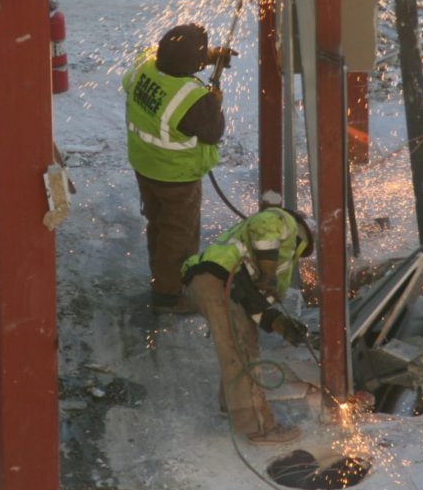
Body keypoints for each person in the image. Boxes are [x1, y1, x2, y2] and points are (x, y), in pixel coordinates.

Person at [123, 23, 234, 314]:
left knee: (158, 224)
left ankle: (160, 275)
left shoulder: (145, 66)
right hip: (176, 177)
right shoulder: (192, 99)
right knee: (179, 235)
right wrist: (215, 102)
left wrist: (209, 56)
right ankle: (169, 296)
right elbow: (212, 132)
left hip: (145, 165)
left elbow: (163, 56)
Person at [181, 207, 314, 445]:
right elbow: (263, 224)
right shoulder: (284, 222)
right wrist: (269, 273)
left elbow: (255, 308)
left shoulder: (256, 258)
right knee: (241, 350)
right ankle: (261, 427)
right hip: (218, 280)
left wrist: (282, 325)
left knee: (242, 341)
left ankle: (231, 406)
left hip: (215, 283)